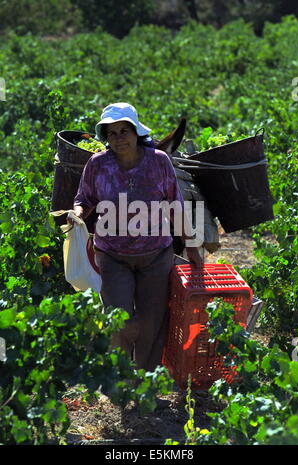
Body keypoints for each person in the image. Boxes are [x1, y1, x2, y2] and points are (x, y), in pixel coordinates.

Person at [71, 102, 203, 372]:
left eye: (124, 131)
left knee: (152, 321)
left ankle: (145, 387)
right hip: (112, 256)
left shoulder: (158, 161)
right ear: (106, 138)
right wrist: (77, 213)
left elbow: (174, 204)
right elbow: (83, 198)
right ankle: (122, 381)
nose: (119, 138)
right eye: (112, 133)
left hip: (156, 255)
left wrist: (191, 245)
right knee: (119, 318)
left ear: (136, 132)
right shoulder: (98, 165)